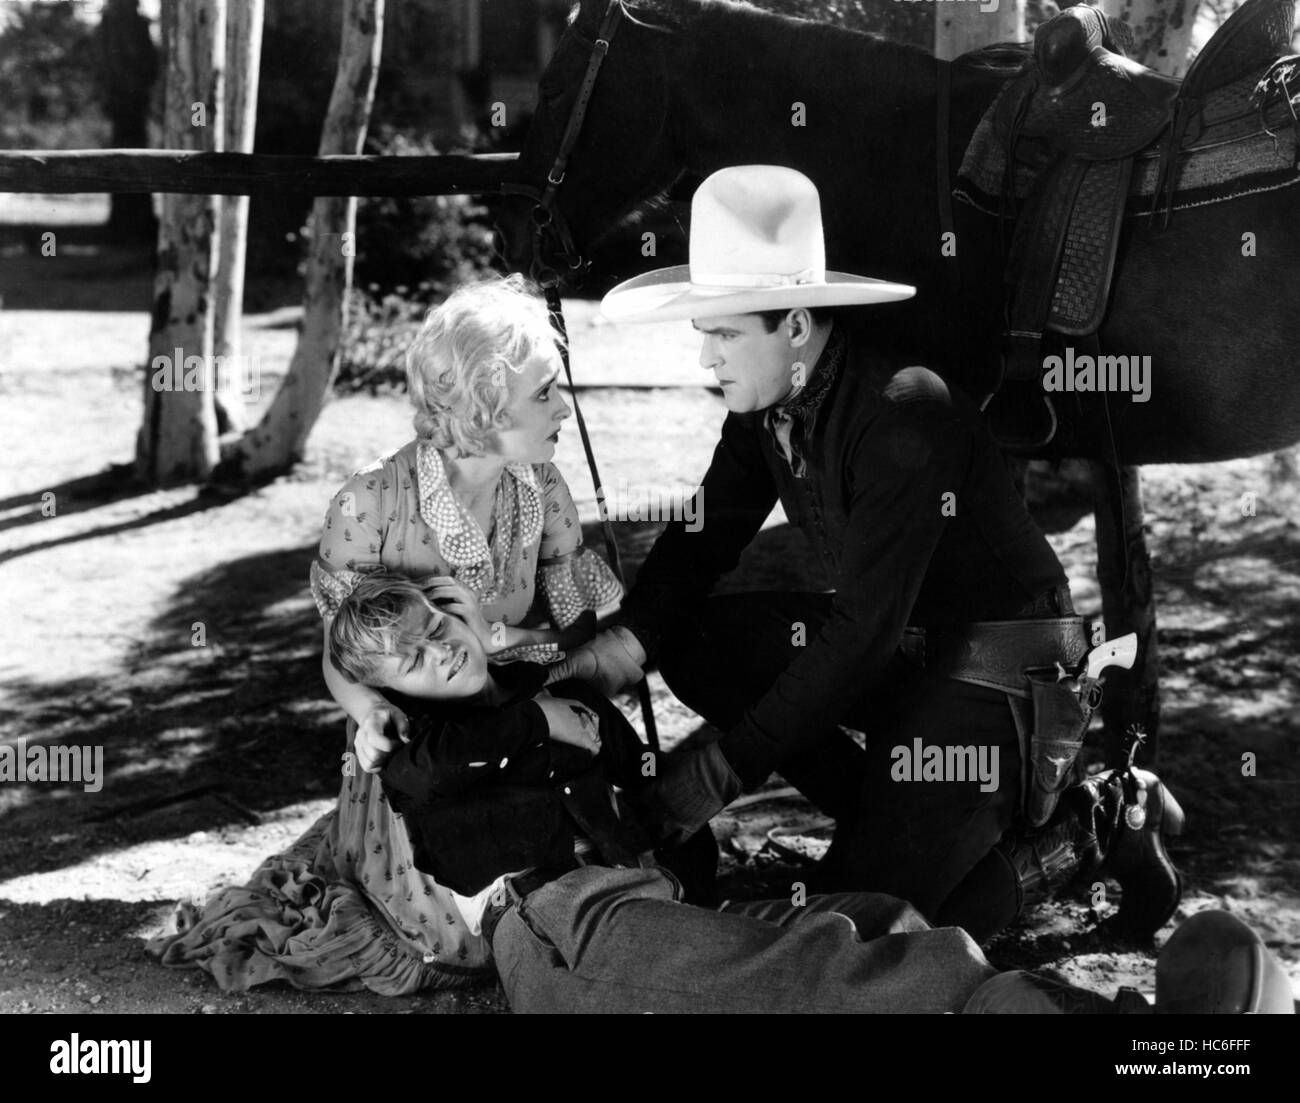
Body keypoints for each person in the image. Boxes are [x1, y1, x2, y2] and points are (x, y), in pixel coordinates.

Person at [549, 165, 1183, 943]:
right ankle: (899, 811)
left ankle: (1097, 821)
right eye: (703, 334)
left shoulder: (903, 411)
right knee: (697, 640)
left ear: (793, 324)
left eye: (723, 334)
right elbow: (706, 529)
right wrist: (628, 639)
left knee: (879, 929)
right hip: (904, 654)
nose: (706, 360)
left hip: (1003, 668)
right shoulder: (769, 400)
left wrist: (714, 772)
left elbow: (859, 636)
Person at [327, 569, 1293, 1015]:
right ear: (386, 693)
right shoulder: (414, 755)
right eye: (406, 657)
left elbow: (562, 649)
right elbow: (440, 783)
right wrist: (525, 724)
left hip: (650, 905)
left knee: (872, 918)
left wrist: (496, 650)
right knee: (817, 980)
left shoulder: (529, 675)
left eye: (431, 622)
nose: (433, 648)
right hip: (562, 937)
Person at [150, 276, 624, 993]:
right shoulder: (371, 501)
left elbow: (572, 621)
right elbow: (344, 656)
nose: (565, 405)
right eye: (544, 392)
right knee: (463, 935)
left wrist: (518, 645)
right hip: (422, 747)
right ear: (482, 409)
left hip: (520, 706)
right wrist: (370, 713)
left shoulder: (543, 485)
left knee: (605, 869)